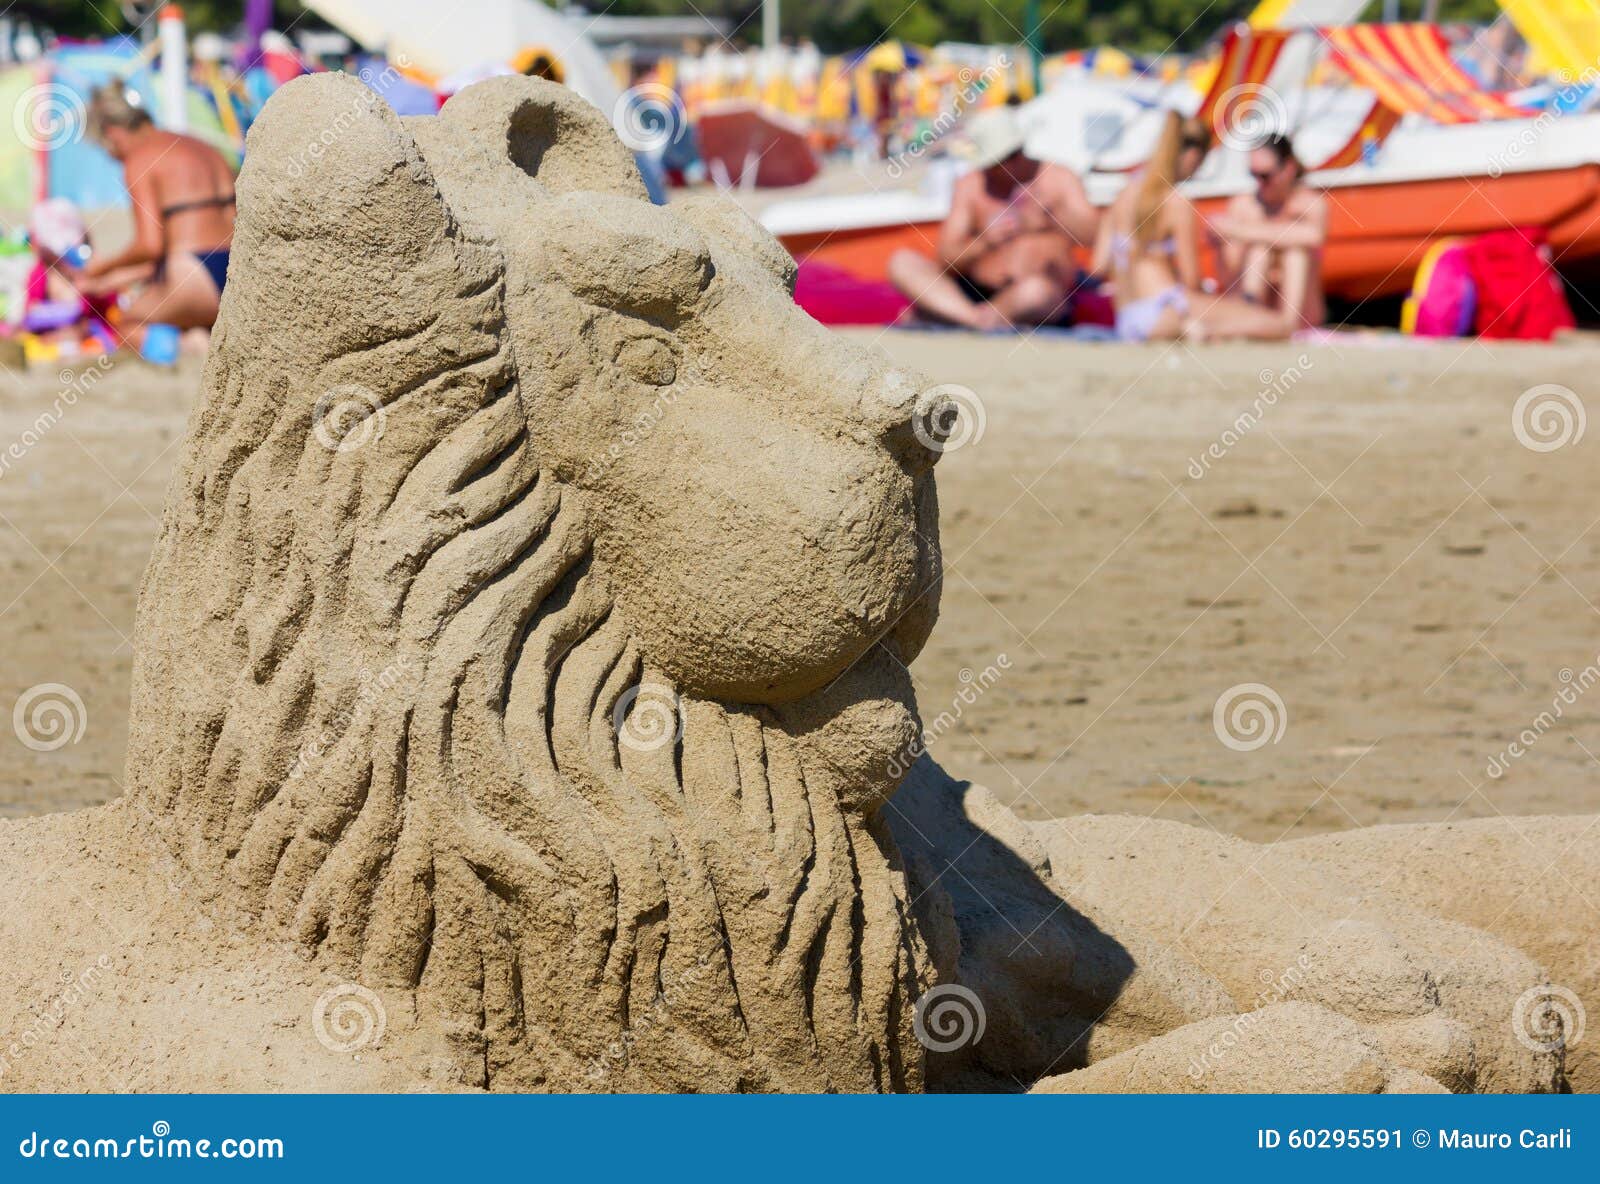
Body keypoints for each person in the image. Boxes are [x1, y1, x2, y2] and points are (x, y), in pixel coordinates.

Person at [887, 107, 1099, 330]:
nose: (988, 171)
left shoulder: (1058, 179)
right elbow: (945, 258)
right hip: (972, 290)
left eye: (993, 164)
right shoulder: (971, 186)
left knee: (1037, 293)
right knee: (901, 262)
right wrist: (985, 241)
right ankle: (975, 319)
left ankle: (961, 317)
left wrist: (1050, 215)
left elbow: (1095, 236)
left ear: (1013, 156)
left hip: (1031, 290)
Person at [67, 82, 236, 334]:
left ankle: (185, 350)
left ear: (112, 133)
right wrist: (112, 280)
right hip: (238, 271)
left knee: (127, 323)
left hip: (194, 275)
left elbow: (150, 245)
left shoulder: (140, 158)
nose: (113, 157)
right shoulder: (205, 148)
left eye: (107, 149)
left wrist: (100, 268)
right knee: (184, 316)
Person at [1091, 111, 1210, 342]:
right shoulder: (1176, 201)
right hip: (1165, 308)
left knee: (1202, 326)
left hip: (1126, 318)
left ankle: (1191, 329)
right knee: (1276, 324)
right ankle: (1191, 328)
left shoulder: (1123, 194)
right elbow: (1191, 279)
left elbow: (1098, 266)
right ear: (1194, 156)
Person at [1204, 132, 1328, 338]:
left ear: (1288, 169)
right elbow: (1229, 273)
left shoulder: (1310, 203)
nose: (1259, 183)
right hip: (1251, 299)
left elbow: (1314, 236)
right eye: (1253, 175)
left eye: (1265, 175)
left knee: (1294, 253)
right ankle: (1256, 318)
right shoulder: (1243, 205)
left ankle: (1287, 324)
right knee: (1259, 252)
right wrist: (1220, 245)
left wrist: (1240, 230)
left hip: (1303, 311)